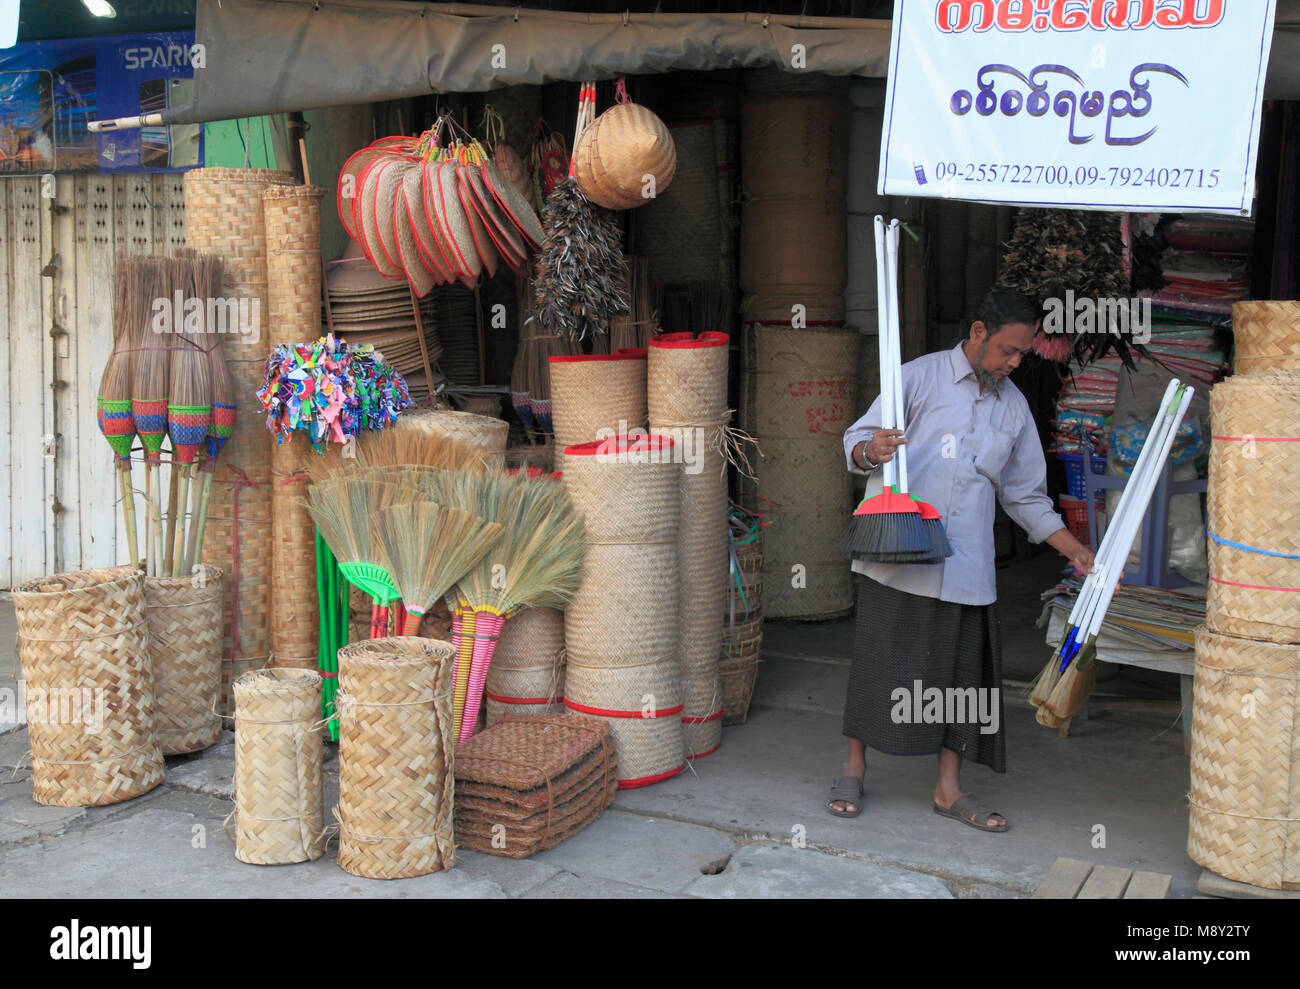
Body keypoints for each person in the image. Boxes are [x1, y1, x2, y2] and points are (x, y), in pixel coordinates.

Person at [828, 287, 1096, 831]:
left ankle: (949, 790)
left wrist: (1074, 549)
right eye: (1008, 351)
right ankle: (853, 768)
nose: (1015, 363)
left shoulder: (1014, 408)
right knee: (878, 666)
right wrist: (869, 450)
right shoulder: (918, 378)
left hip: (966, 565)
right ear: (977, 332)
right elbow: (856, 438)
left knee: (962, 683)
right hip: (898, 550)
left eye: (1023, 354)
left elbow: (1025, 496)